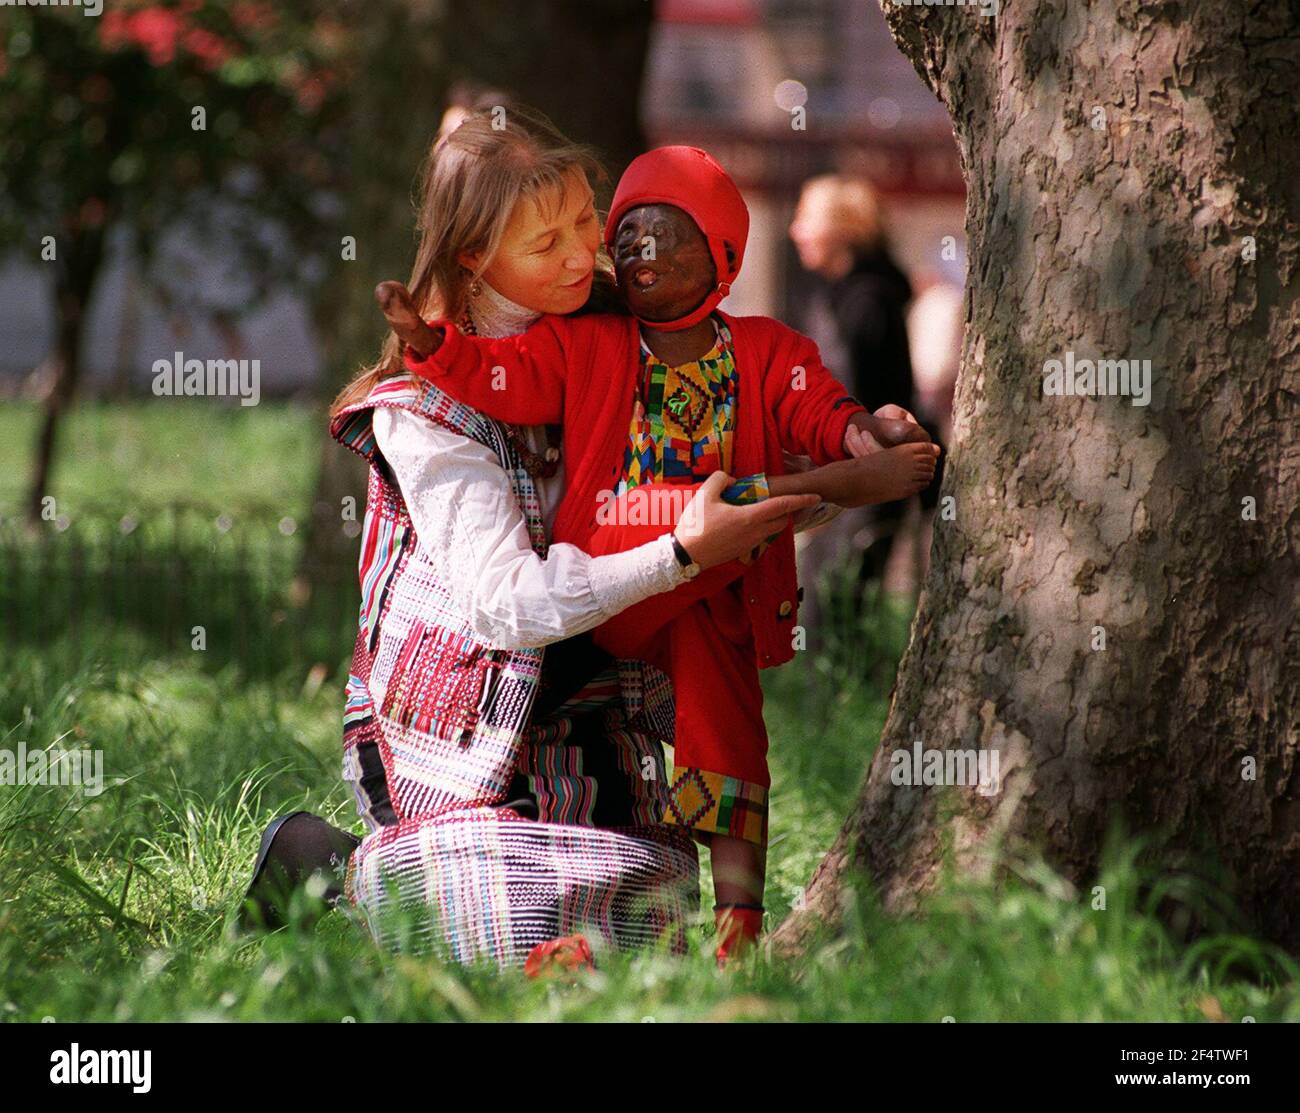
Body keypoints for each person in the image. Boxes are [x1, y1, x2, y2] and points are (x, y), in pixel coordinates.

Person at [243, 108, 824, 970]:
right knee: (507, 930)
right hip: (461, 728)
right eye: (544, 241)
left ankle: (396, 884)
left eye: (586, 220)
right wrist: (681, 554)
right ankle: (333, 863)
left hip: (600, 711)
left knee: (643, 930)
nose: (582, 253)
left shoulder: (631, 335)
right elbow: (506, 604)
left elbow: (746, 407)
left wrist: (846, 437)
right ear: (474, 257)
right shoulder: (422, 413)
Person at [386, 146, 937, 961]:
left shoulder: (762, 349)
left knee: (726, 712)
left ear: (721, 255)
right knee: (725, 510)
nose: (625, 253)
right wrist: (435, 351)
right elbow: (505, 377)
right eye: (628, 235)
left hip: (681, 618)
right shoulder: (586, 348)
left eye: (650, 234)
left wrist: (861, 431)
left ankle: (736, 931)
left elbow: (816, 404)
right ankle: (839, 487)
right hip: (584, 592)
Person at [789, 174, 942, 609]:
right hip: (846, 481)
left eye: (805, 218)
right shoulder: (844, 298)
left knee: (834, 611)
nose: (795, 231)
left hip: (862, 487)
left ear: (842, 229)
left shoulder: (866, 304)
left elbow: (875, 402)